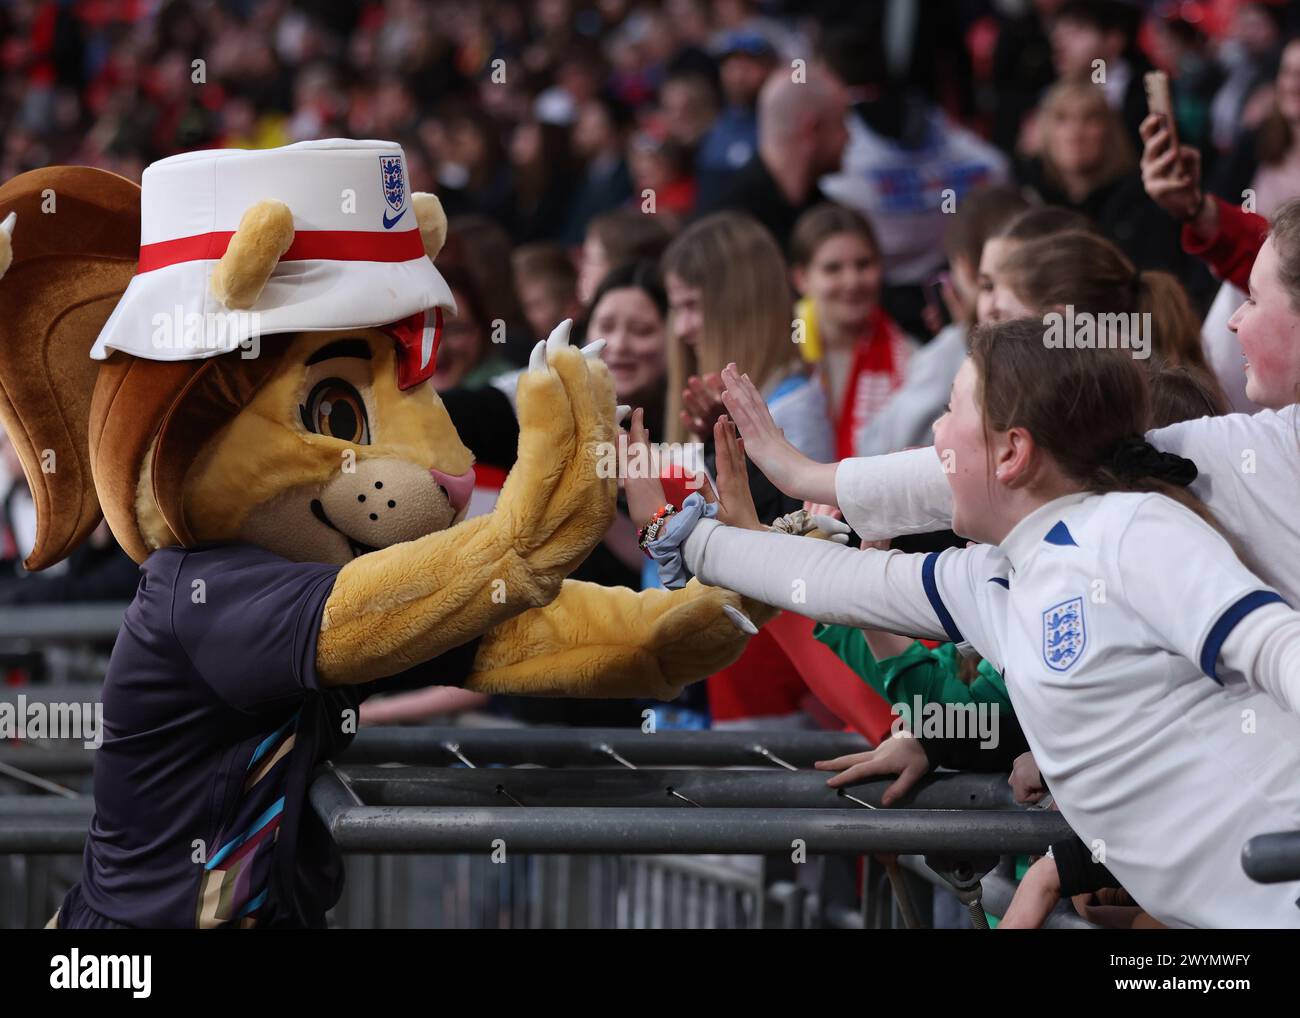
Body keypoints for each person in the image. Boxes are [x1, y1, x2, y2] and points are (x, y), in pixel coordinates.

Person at [627, 318, 1300, 927]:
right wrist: (684, 537)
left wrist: (794, 479)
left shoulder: (1131, 531)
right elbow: (840, 583)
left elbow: (1276, 647)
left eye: (951, 410)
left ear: (1011, 453)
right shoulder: (995, 573)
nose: (936, 433)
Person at [695, 67, 848, 253]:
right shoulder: (723, 228)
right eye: (841, 123)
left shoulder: (831, 217)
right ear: (811, 130)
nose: (849, 137)